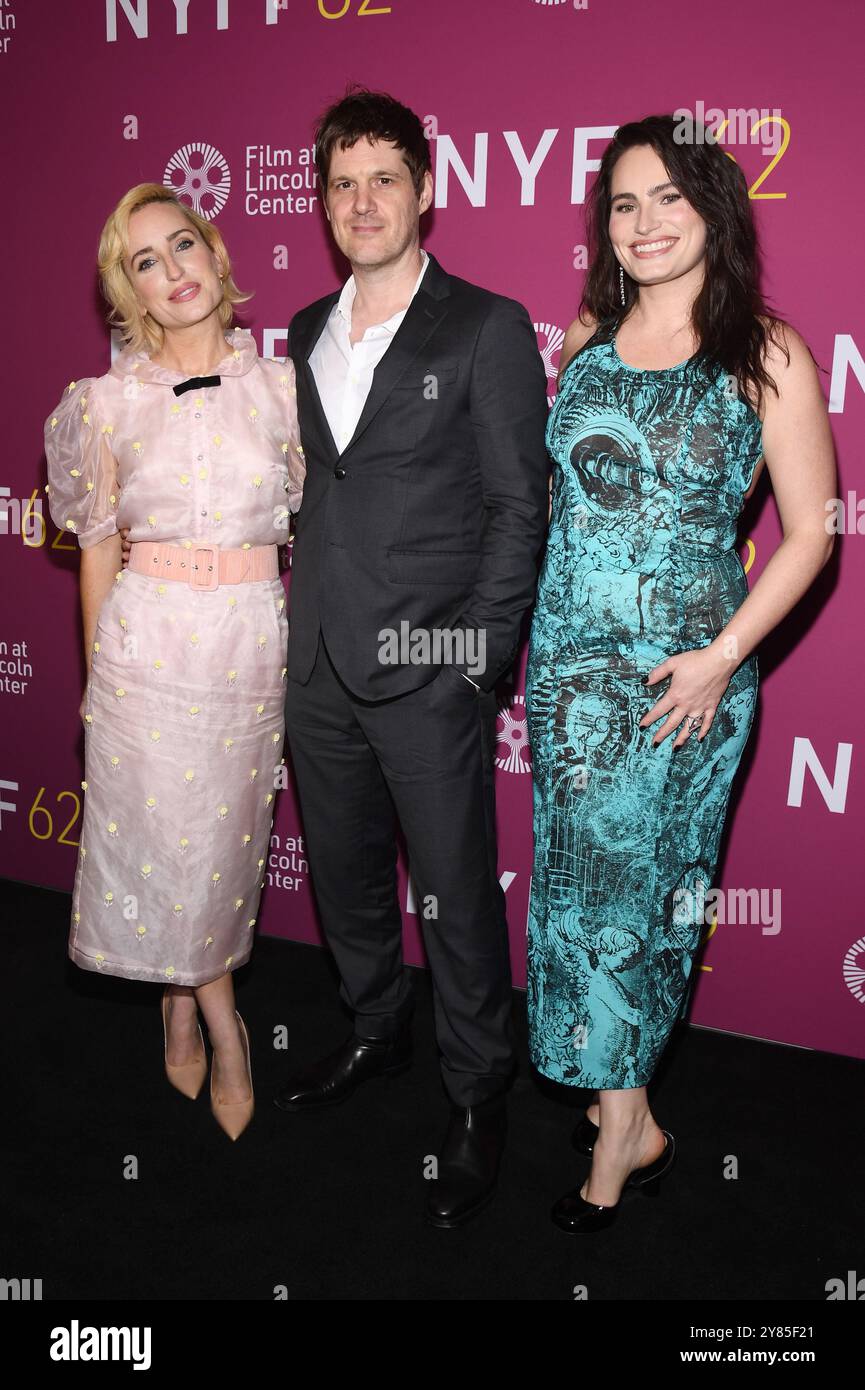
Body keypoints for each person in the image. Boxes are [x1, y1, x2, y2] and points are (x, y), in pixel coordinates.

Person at [524, 115, 836, 1233]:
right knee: (574, 898)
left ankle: (622, 1139)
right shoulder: (586, 337)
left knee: (642, 908)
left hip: (682, 682)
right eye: (622, 203)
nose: (644, 222)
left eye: (667, 197)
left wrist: (717, 659)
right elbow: (565, 507)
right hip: (568, 676)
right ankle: (629, 1102)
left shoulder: (765, 351)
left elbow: (810, 533)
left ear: (712, 209)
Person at [273, 86, 550, 1227]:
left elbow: (516, 507)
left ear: (426, 191)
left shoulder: (484, 325)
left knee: (453, 899)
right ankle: (378, 1028)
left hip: (428, 667)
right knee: (344, 881)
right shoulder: (300, 330)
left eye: (384, 176)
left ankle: (479, 1090)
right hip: (317, 662)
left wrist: (472, 664)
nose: (361, 200)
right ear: (323, 202)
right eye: (342, 182)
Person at [44, 184, 305, 1141]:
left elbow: (318, 529)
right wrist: (94, 681)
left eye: (182, 245)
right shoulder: (101, 405)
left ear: (216, 254)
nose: (172, 271)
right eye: (145, 262)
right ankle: (223, 1021)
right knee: (161, 843)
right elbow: (100, 548)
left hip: (244, 640)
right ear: (130, 291)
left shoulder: (282, 388)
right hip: (144, 644)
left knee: (223, 843)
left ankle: (183, 999)